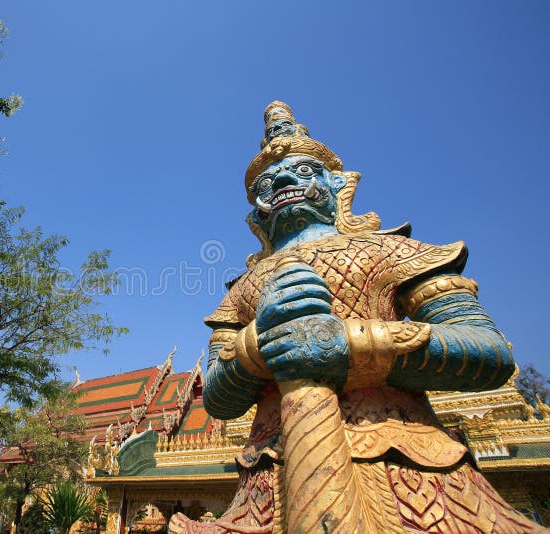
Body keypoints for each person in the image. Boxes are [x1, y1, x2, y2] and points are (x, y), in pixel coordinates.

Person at [169, 103, 543, 533]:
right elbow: (218, 398)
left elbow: (489, 351)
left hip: (412, 470)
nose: (286, 181)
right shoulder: (240, 292)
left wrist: (351, 344)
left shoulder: (393, 253)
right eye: (268, 182)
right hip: (271, 486)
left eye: (306, 172)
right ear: (256, 213)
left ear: (339, 186)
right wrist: (256, 346)